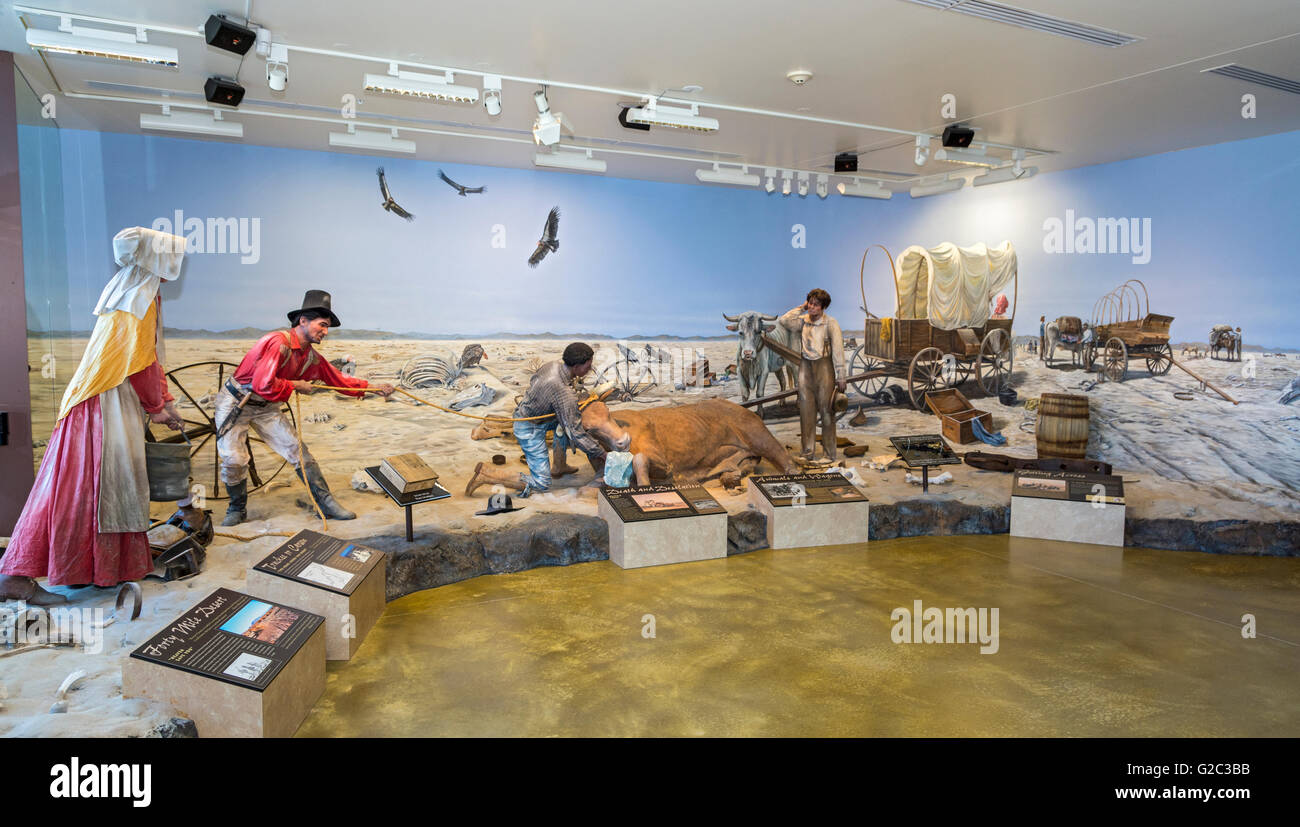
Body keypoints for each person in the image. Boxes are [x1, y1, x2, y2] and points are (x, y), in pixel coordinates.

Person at [0, 227, 189, 605]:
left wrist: (162, 400)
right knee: (77, 489)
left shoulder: (128, 289)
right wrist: (158, 408)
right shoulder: (140, 296)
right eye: (172, 254)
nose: (177, 263)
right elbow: (141, 364)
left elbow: (143, 358)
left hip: (100, 397)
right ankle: (14, 577)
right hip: (105, 404)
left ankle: (100, 569)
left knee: (94, 489)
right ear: (156, 257)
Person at [217, 290, 394, 525]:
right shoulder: (277, 343)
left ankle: (326, 503)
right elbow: (262, 383)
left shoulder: (311, 357)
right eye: (322, 325)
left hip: (267, 407)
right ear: (303, 321)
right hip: (237, 402)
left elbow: (338, 380)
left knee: (297, 451)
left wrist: (373, 388)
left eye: (328, 327)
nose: (325, 332)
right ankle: (236, 509)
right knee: (234, 459)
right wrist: (295, 384)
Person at [464, 342, 620, 497]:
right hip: (529, 428)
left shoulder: (552, 366)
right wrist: (602, 454)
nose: (590, 369)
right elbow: (575, 433)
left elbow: (535, 382)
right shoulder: (563, 393)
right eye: (588, 365)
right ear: (576, 367)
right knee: (542, 483)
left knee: (563, 425)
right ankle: (486, 474)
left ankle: (559, 466)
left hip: (532, 414)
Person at [778, 288, 847, 461]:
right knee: (806, 411)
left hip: (824, 368)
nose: (812, 307)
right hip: (805, 367)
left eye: (816, 305)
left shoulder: (831, 323)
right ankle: (807, 452)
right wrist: (801, 307)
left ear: (823, 307)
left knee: (826, 412)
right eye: (810, 303)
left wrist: (841, 376)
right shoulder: (802, 321)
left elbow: (838, 350)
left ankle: (829, 454)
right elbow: (785, 321)